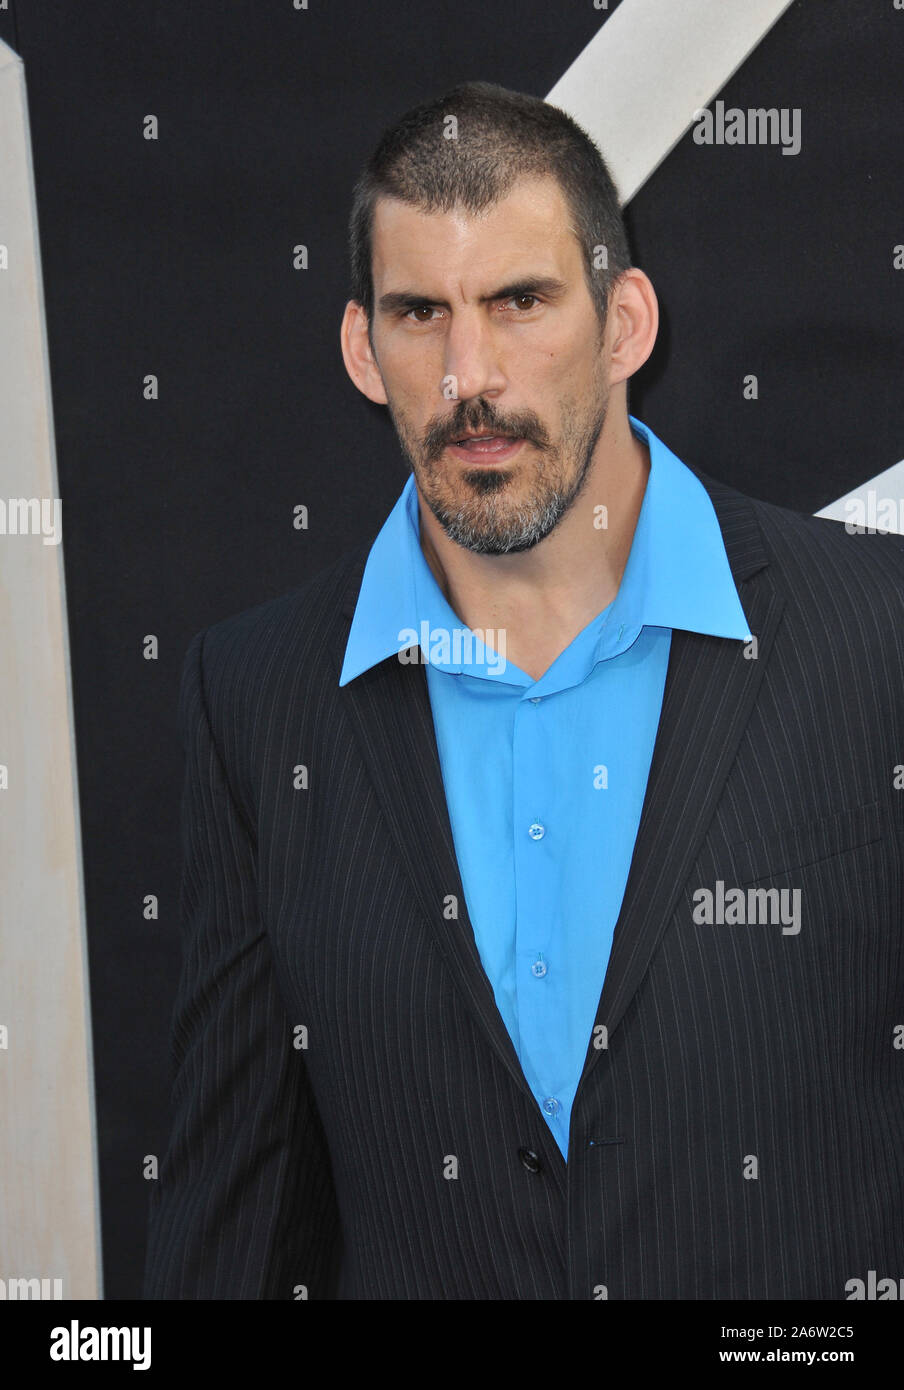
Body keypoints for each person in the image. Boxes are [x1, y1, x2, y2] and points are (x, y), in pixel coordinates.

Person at [143, 80, 904, 1300]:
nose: (468, 376)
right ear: (360, 347)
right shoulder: (257, 699)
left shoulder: (878, 636)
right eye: (418, 313)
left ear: (624, 323)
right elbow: (235, 1223)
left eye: (519, 301)